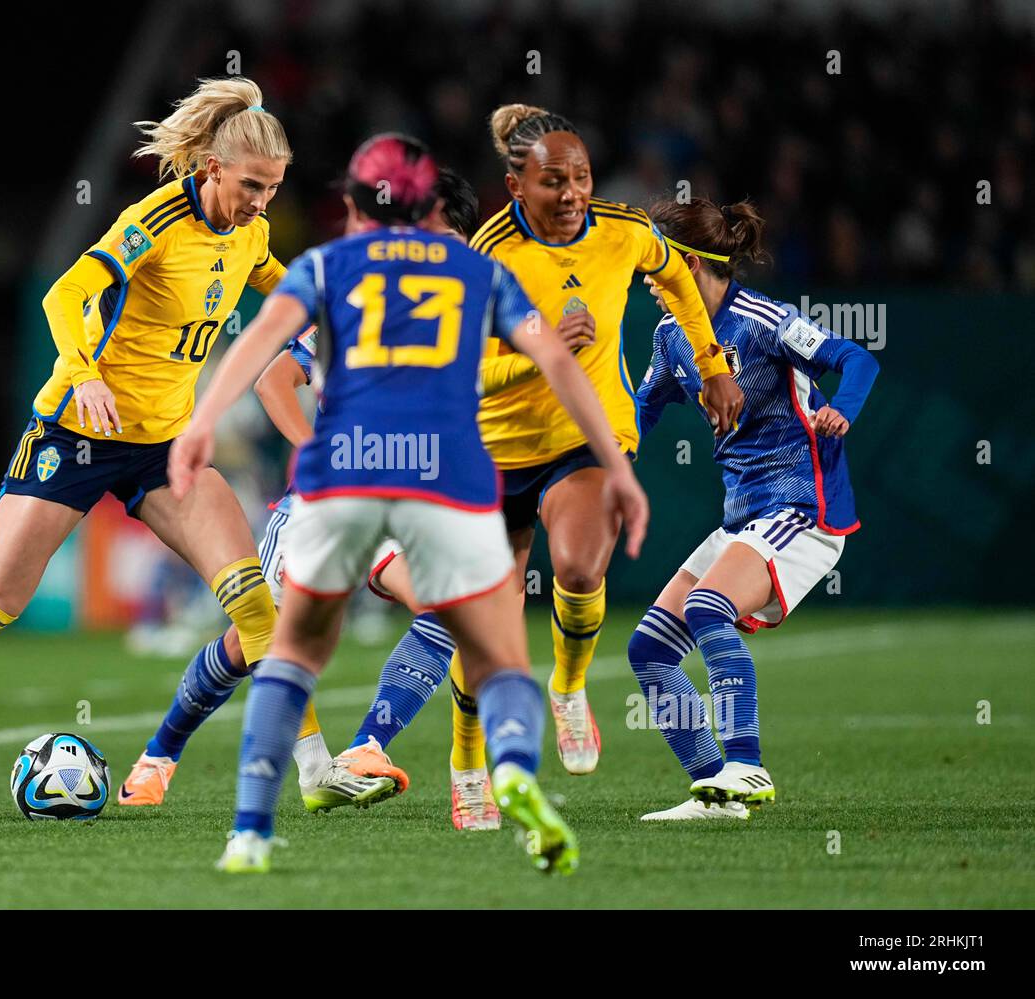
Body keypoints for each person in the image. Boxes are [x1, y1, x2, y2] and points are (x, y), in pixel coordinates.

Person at [169, 133, 649, 875]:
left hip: (347, 476)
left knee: (291, 653)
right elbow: (557, 358)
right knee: (496, 648)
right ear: (428, 206)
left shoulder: (326, 267)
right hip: (443, 479)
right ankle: (514, 768)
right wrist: (616, 466)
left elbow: (256, 350)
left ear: (357, 208)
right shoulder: (474, 271)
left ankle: (250, 832)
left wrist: (199, 427)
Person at [0, 77, 301, 785]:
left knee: (253, 599)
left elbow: (288, 287)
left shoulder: (252, 234)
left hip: (164, 446)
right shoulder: (155, 221)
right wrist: (83, 371)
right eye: (252, 185)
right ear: (212, 169)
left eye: (272, 188)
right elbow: (67, 291)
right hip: (76, 432)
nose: (261, 202)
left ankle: (315, 767)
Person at [447, 104, 743, 779]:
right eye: (554, 181)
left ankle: (569, 686)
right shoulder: (487, 256)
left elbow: (675, 276)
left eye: (581, 176)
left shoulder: (624, 231)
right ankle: (467, 764)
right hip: (496, 449)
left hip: (589, 434)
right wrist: (540, 354)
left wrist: (712, 362)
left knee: (579, 570)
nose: (573, 193)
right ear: (517, 186)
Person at [629, 197, 878, 820]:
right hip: (745, 516)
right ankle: (717, 791)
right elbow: (646, 407)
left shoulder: (762, 320)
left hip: (803, 507)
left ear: (686, 263)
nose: (646, 279)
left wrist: (842, 407)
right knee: (650, 648)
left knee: (708, 608)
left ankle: (747, 765)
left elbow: (855, 358)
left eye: (655, 265)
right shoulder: (671, 337)